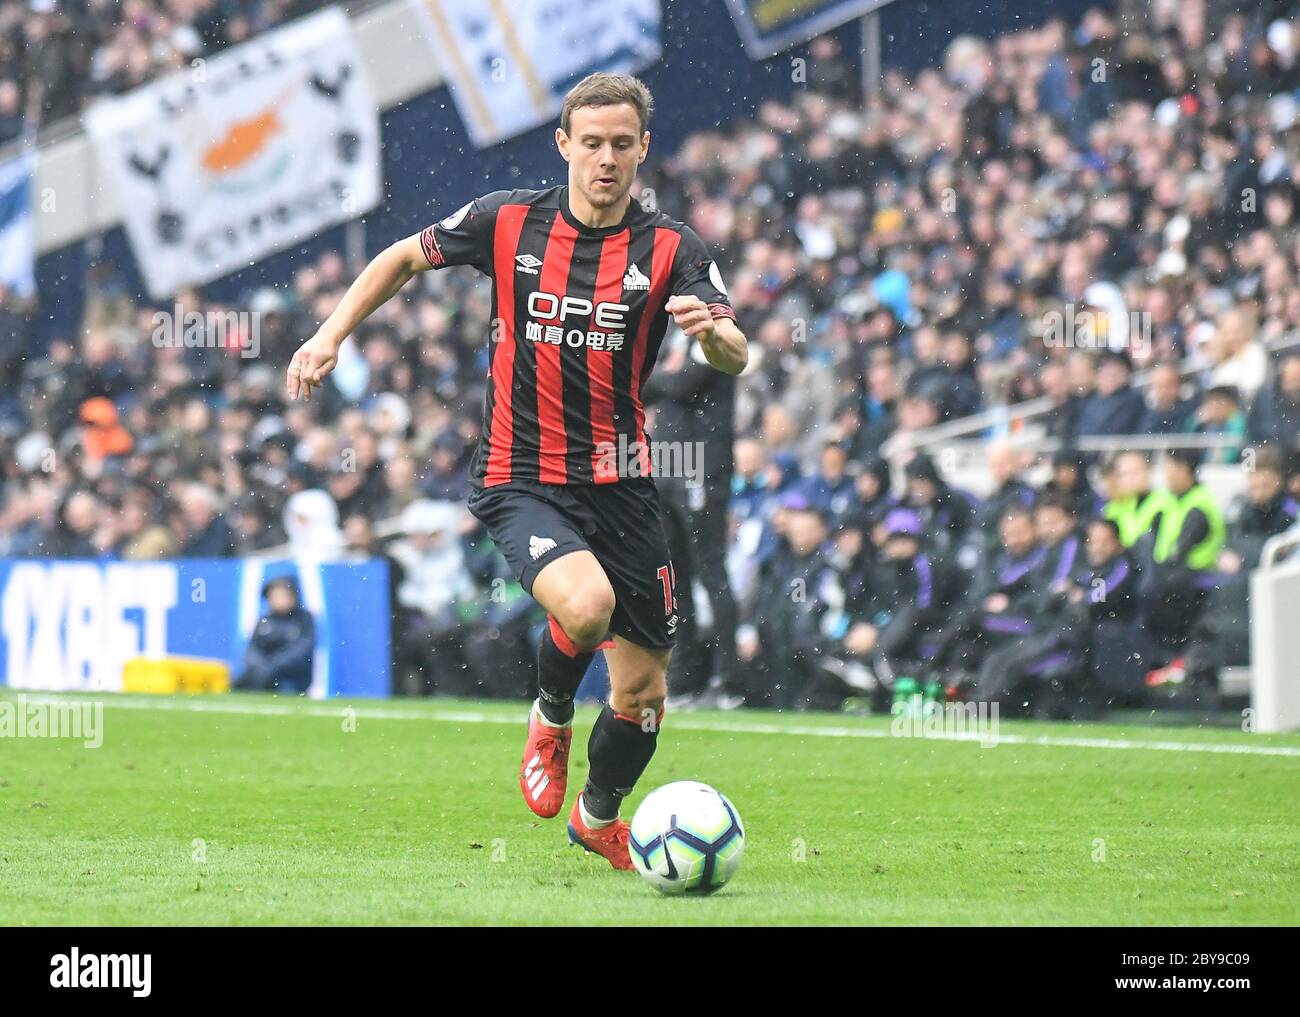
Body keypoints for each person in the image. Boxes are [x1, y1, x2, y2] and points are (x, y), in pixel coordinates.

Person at [285, 73, 749, 871]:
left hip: (623, 485)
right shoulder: (508, 220)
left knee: (642, 696)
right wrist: (331, 334)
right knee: (587, 603)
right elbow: (402, 257)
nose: (606, 159)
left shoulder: (673, 248)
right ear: (564, 145)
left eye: (622, 144)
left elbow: (736, 353)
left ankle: (598, 816)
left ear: (644, 148)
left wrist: (709, 334)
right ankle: (551, 709)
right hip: (519, 473)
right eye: (592, 143)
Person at [235, 576, 316, 695]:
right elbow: (252, 649)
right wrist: (259, 666)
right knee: (239, 685)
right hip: (262, 674)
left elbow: (301, 651)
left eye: (283, 595)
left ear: (293, 597)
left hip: (291, 678)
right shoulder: (265, 620)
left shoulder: (304, 620)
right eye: (274, 596)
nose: (279, 600)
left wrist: (273, 665)